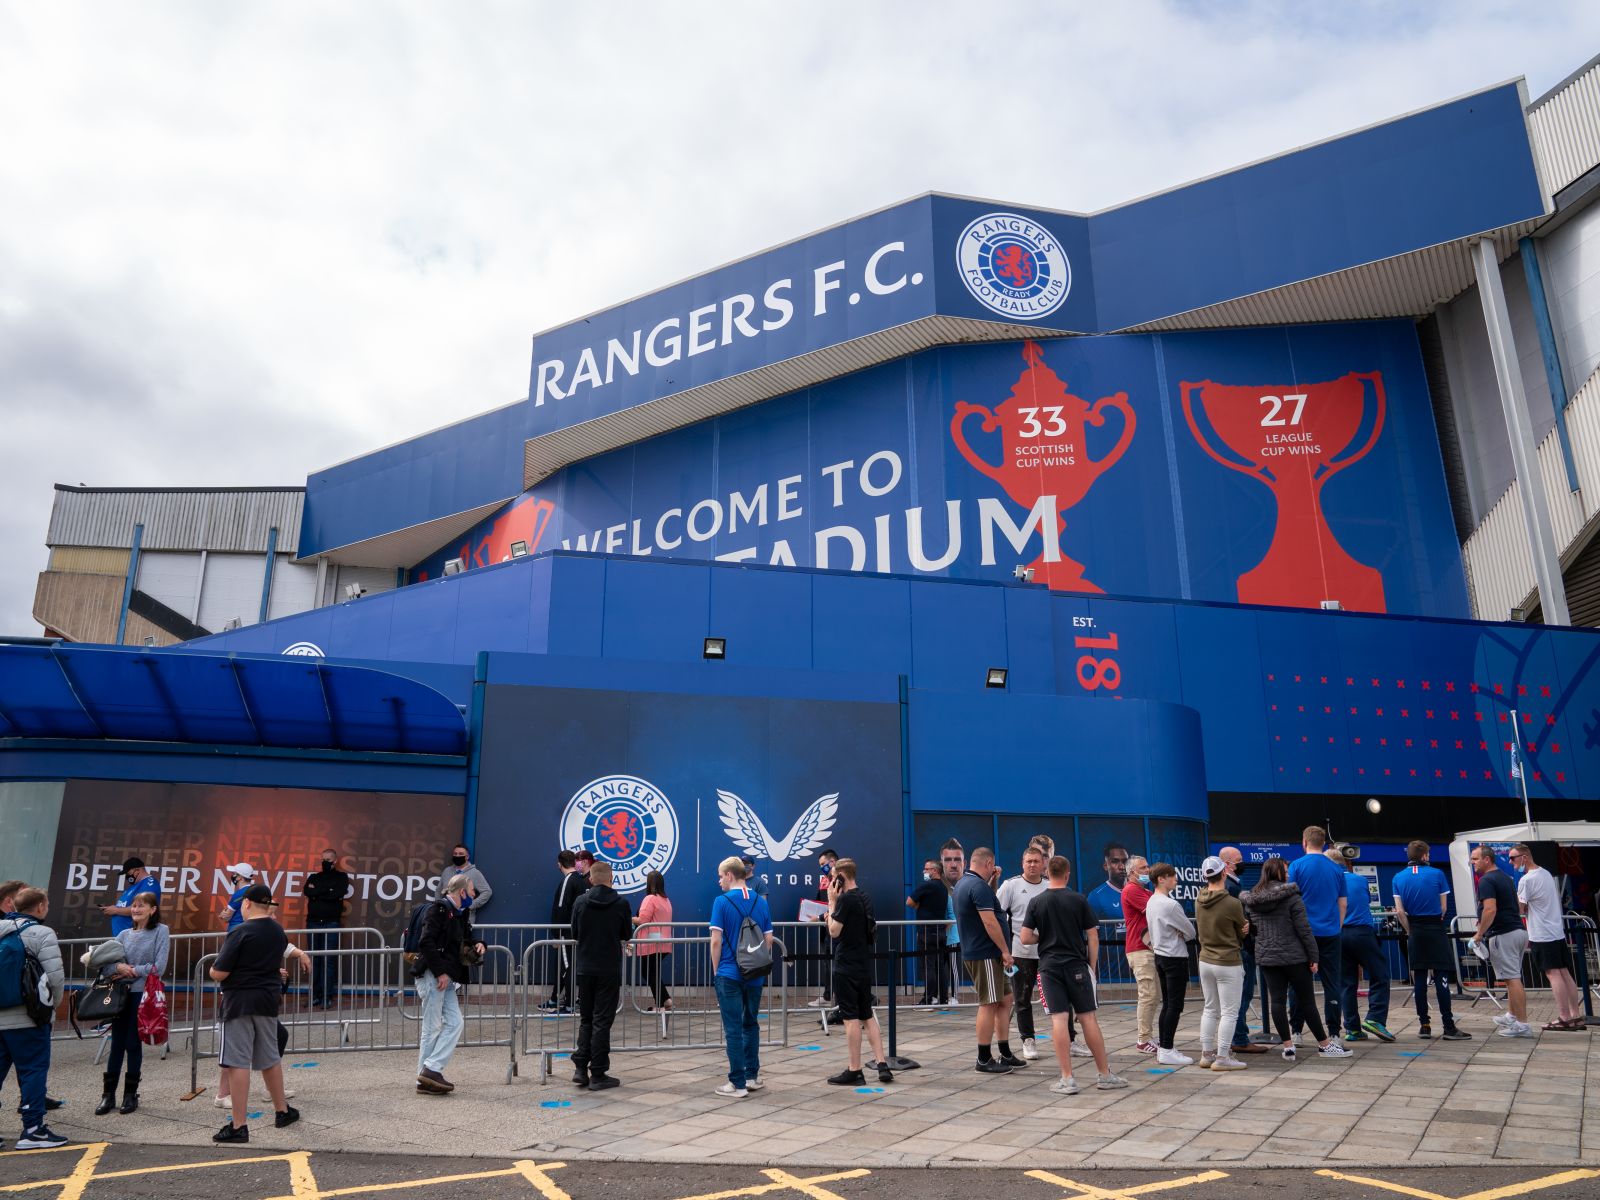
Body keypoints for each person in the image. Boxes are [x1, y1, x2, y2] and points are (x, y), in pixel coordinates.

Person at [1019, 855, 1128, 1095]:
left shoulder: (1037, 902)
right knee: (1088, 1018)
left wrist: (1044, 938)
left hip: (1049, 968)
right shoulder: (1078, 899)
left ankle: (1067, 1079)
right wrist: (1091, 965)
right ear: (1067, 874)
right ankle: (1104, 1075)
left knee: (1058, 1020)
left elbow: (1025, 938)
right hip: (1077, 966)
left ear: (1048, 872)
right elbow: (1093, 935)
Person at [210, 884, 300, 1144]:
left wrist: (215, 972)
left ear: (246, 903)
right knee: (270, 1058)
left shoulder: (240, 932)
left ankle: (239, 1125)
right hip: (267, 1000)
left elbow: (220, 972)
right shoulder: (277, 931)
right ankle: (282, 1111)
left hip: (239, 1002)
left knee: (238, 1062)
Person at [1243, 857, 1352, 1061]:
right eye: (1285, 870)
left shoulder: (1251, 900)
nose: (1288, 874)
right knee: (1307, 1001)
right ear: (1278, 873)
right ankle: (1325, 1045)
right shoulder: (1292, 896)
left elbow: (1251, 932)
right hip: (1294, 956)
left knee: (1276, 1000)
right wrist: (1314, 956)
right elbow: (1304, 930)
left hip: (1268, 957)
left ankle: (1288, 1047)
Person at [0, 888, 66, 1149]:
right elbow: (56, 978)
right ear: (39, 907)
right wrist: (51, 1008)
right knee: (32, 1071)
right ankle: (33, 1130)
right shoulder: (41, 933)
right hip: (28, 1018)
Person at [97, 891, 169, 1117]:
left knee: (132, 1042)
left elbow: (158, 967)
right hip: (120, 995)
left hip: (142, 994)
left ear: (152, 909)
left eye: (141, 906)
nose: (136, 910)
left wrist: (132, 970)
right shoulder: (123, 935)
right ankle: (108, 1095)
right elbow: (104, 965)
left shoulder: (161, 931)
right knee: (117, 1042)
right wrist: (118, 968)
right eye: (134, 906)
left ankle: (131, 1094)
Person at [1392, 841, 1471, 1042]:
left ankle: (1424, 1025)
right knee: (1441, 977)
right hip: (1435, 928)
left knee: (1419, 979)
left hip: (1416, 930)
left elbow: (1400, 912)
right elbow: (1444, 907)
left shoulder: (1398, 877)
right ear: (1426, 855)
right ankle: (1448, 1026)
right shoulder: (1437, 874)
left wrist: (1410, 930)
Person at [953, 847, 1023, 1073]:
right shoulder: (977, 886)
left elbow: (988, 904)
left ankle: (1004, 1052)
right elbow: (989, 921)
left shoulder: (967, 884)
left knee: (1005, 999)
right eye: (993, 866)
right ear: (989, 863)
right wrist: (1005, 950)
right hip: (985, 953)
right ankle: (983, 1058)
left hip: (984, 952)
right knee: (989, 1002)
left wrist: (993, 881)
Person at [708, 856, 772, 1098]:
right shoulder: (761, 901)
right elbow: (767, 940)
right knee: (751, 1023)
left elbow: (715, 941)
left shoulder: (721, 902)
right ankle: (752, 1076)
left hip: (729, 972)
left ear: (730, 875)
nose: (719, 880)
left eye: (721, 875)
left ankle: (737, 1083)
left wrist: (716, 971)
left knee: (733, 1028)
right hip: (755, 974)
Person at [414, 874, 485, 1095]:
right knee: (432, 1028)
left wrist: (480, 944)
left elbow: (462, 941)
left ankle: (429, 1071)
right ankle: (425, 1077)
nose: (474, 895)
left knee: (455, 1023)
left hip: (446, 978)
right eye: (472, 891)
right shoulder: (439, 910)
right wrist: (440, 972)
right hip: (434, 976)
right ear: (462, 892)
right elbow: (426, 942)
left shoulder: (459, 914)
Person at [825, 858, 893, 1086]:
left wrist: (831, 903)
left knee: (850, 1018)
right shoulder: (865, 897)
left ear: (841, 877)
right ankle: (882, 1064)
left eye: (834, 876)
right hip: (863, 964)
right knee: (867, 1014)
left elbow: (834, 931)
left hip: (846, 965)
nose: (832, 880)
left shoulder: (845, 900)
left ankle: (855, 1069)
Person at [570, 862, 631, 1091]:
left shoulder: (580, 902)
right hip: (608, 968)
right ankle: (598, 1072)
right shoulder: (622, 904)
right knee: (602, 1020)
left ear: (591, 879)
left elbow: (574, 932)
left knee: (586, 1018)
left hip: (585, 967)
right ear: (611, 878)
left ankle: (579, 1068)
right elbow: (626, 933)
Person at [1513, 843, 1586, 1031]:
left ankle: (1564, 1016)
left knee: (1553, 973)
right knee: (1564, 972)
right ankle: (1575, 1016)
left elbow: (1519, 909)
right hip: (1556, 930)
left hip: (1542, 933)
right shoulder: (1545, 873)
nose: (1512, 862)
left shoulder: (1526, 880)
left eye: (1513, 858)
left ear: (1524, 857)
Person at [1287, 826, 1345, 1041]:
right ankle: (1334, 1032)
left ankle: (1296, 1031)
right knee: (1332, 983)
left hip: (1302, 934)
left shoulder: (1296, 866)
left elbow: (1290, 900)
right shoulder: (1336, 869)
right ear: (1324, 844)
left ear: (1304, 842)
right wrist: (1336, 927)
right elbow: (1343, 903)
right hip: (1330, 932)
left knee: (1298, 982)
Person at [1332, 851, 1393, 1043]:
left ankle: (1353, 1029)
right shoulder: (1360, 880)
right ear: (1346, 864)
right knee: (1379, 974)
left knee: (1346, 983)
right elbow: (1365, 901)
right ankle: (1375, 1018)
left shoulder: (1327, 882)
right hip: (1361, 933)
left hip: (1338, 935)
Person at [1194, 856, 1249, 1071]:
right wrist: (1244, 928)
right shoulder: (1233, 903)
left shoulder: (1198, 899)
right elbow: (1240, 932)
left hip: (1205, 959)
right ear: (1224, 873)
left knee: (1210, 1009)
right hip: (1228, 961)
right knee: (1229, 1012)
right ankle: (1223, 1056)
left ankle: (1207, 1054)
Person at [1470, 845, 1530, 1038]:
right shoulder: (1505, 877)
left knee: (1512, 979)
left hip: (1504, 933)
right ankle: (1512, 1016)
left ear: (1487, 859)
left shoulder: (1486, 880)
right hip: (1517, 932)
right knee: (1511, 977)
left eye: (1475, 859)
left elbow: (1490, 910)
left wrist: (1479, 934)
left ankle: (1522, 1024)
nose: (1472, 863)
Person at [995, 845, 1048, 1060]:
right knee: (1022, 999)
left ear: (1044, 863)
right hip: (1020, 953)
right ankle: (1028, 1040)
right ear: (1022, 863)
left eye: (1036, 861)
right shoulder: (1011, 885)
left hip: (1048, 952)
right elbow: (996, 916)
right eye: (1029, 861)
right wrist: (1003, 950)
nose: (1033, 865)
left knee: (1061, 998)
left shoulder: (1049, 886)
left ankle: (1071, 1039)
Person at [1145, 863, 1196, 1067]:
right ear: (1161, 879)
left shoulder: (1151, 901)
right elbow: (1191, 932)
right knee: (1174, 1005)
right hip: (1175, 957)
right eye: (1172, 876)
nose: (1176, 879)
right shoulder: (1170, 904)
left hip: (1160, 956)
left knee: (1168, 1004)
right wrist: (1181, 933)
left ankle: (1165, 1047)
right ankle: (1166, 1048)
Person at [1217, 847, 1266, 1056]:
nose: (1242, 862)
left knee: (1235, 998)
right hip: (1240, 948)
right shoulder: (1230, 887)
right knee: (1241, 996)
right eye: (1239, 860)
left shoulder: (1231, 884)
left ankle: (1236, 1037)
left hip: (1236, 947)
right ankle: (1239, 1038)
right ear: (1227, 864)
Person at [302, 848, 351, 1010]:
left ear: (335, 861)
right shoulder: (315, 877)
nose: (325, 862)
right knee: (314, 960)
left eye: (328, 860)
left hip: (331, 923)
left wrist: (318, 893)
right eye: (323, 859)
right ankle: (315, 995)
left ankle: (327, 996)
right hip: (313, 922)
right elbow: (308, 891)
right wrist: (326, 891)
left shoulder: (342, 877)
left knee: (328, 960)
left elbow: (337, 893)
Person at [1121, 855, 1160, 1054]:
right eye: (1143, 868)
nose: (1148, 870)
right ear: (1132, 873)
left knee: (1153, 996)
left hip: (1147, 949)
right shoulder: (1132, 890)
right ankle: (1143, 1039)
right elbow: (1158, 910)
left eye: (1147, 866)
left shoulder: (1143, 890)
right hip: (1139, 949)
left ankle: (1147, 1036)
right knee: (1147, 995)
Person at [545, 850, 588, 1011]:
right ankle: (563, 1001)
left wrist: (557, 935)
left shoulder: (568, 881)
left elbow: (560, 909)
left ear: (559, 864)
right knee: (568, 966)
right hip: (577, 932)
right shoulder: (580, 880)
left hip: (566, 933)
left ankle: (569, 1004)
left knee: (568, 967)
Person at [907, 858, 949, 1005]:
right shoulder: (943, 888)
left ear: (935, 871)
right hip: (940, 932)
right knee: (940, 967)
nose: (924, 872)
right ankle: (943, 998)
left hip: (927, 932)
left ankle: (928, 998)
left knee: (928, 966)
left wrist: (920, 907)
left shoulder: (927, 886)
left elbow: (909, 901)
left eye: (926, 869)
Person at [632, 870, 673, 1012]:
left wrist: (629, 918)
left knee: (648, 972)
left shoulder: (650, 899)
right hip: (664, 942)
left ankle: (661, 1005)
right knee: (652, 972)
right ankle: (665, 1000)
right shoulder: (666, 900)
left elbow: (643, 920)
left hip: (651, 942)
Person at [807, 848, 840, 1008]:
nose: (821, 867)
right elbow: (820, 902)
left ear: (832, 862)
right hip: (825, 931)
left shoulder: (840, 880)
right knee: (828, 964)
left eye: (823, 864)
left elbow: (838, 905)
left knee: (836, 966)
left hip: (836, 930)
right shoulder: (824, 880)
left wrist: (820, 917)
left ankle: (863, 998)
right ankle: (828, 996)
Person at [101, 857, 160, 936]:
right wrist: (113, 909)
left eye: (128, 873)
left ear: (137, 870)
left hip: (136, 938)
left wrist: (116, 910)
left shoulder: (149, 884)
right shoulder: (135, 885)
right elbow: (126, 906)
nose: (127, 876)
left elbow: (142, 909)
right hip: (125, 938)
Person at [938, 840, 964, 1003]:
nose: (953, 865)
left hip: (955, 937)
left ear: (964, 862)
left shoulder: (970, 884)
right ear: (941, 863)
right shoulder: (937, 886)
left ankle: (954, 997)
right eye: (948, 860)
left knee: (953, 968)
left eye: (957, 859)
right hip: (938, 937)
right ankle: (939, 997)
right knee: (939, 968)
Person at [435, 845, 492, 915]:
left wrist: (471, 906)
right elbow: (439, 890)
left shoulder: (475, 873)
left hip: (465, 917)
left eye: (461, 854)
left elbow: (487, 892)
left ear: (467, 857)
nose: (457, 856)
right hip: (446, 915)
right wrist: (439, 906)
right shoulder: (447, 871)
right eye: (455, 854)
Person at [1086, 842, 1130, 923]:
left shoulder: (1139, 892)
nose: (1122, 867)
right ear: (1106, 866)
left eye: (1125, 861)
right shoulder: (1095, 897)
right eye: (1115, 861)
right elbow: (1090, 932)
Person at [219, 863, 257, 930]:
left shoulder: (239, 894)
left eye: (234, 873)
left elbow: (226, 917)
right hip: (251, 929)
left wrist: (222, 915)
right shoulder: (256, 890)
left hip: (236, 931)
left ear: (240, 877)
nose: (233, 875)